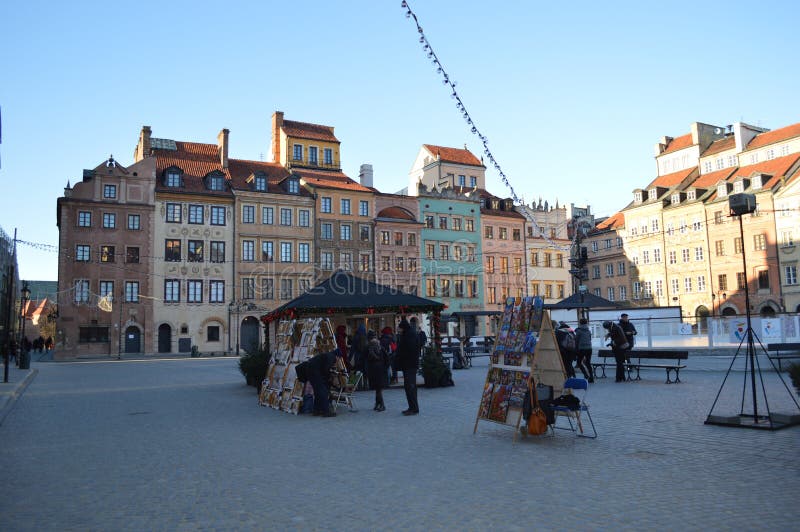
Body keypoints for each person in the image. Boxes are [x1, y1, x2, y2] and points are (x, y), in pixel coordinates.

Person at [295, 349, 340, 417]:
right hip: (314, 372)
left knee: (317, 391)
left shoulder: (327, 355)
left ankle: (317, 410)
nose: (338, 360)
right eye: (339, 358)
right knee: (323, 392)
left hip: (310, 371)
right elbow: (325, 369)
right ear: (337, 356)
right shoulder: (331, 357)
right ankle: (326, 411)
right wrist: (328, 377)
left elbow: (323, 368)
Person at [396, 318, 420, 415]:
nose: (399, 330)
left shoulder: (409, 335)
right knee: (409, 387)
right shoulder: (408, 334)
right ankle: (412, 407)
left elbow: (409, 350)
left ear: (403, 327)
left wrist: (400, 355)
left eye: (400, 328)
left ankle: (413, 408)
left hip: (410, 365)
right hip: (409, 365)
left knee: (410, 386)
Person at [366, 330, 387, 412]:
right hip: (380, 367)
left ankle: (382, 404)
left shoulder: (370, 345)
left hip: (374, 368)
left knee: (378, 387)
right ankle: (377, 403)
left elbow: (369, 355)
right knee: (378, 387)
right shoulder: (380, 345)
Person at [574, 318, 594, 382]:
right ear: (586, 323)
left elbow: (576, 341)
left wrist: (576, 350)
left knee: (579, 363)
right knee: (588, 363)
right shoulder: (588, 330)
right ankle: (591, 378)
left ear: (580, 323)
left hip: (581, 349)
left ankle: (586, 375)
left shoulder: (579, 331)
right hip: (589, 348)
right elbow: (590, 339)